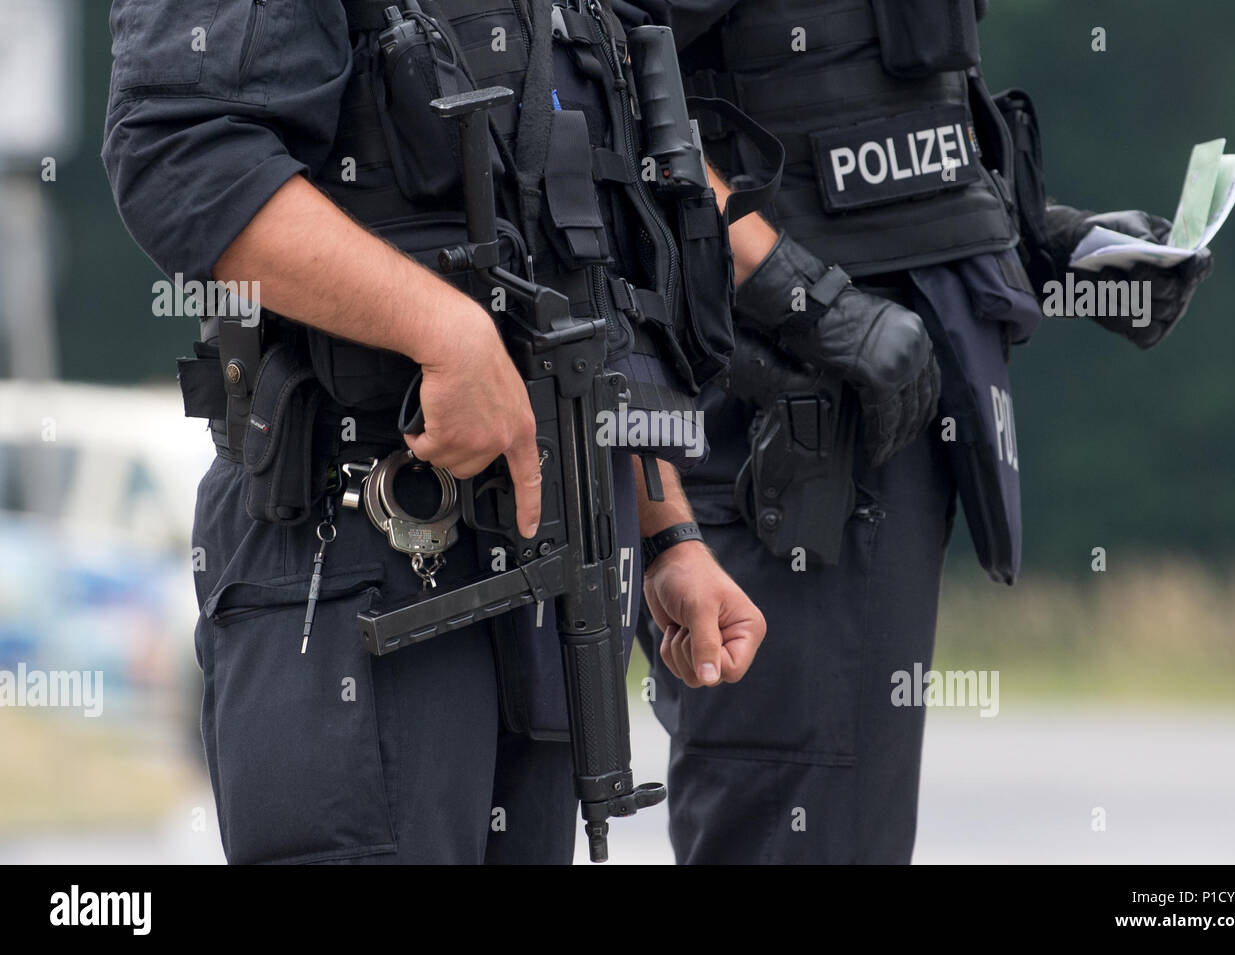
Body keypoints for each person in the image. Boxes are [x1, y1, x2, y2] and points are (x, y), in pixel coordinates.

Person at [102, 0, 767, 865]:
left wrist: (665, 527)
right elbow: (177, 154)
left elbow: (584, 264)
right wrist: (440, 329)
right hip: (351, 558)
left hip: (546, 584)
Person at [623, 0, 1215, 863]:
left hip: (885, 415)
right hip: (771, 431)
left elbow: (901, 132)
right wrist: (802, 295)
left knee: (851, 821)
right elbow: (601, 93)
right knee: (797, 822)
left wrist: (1052, 245)